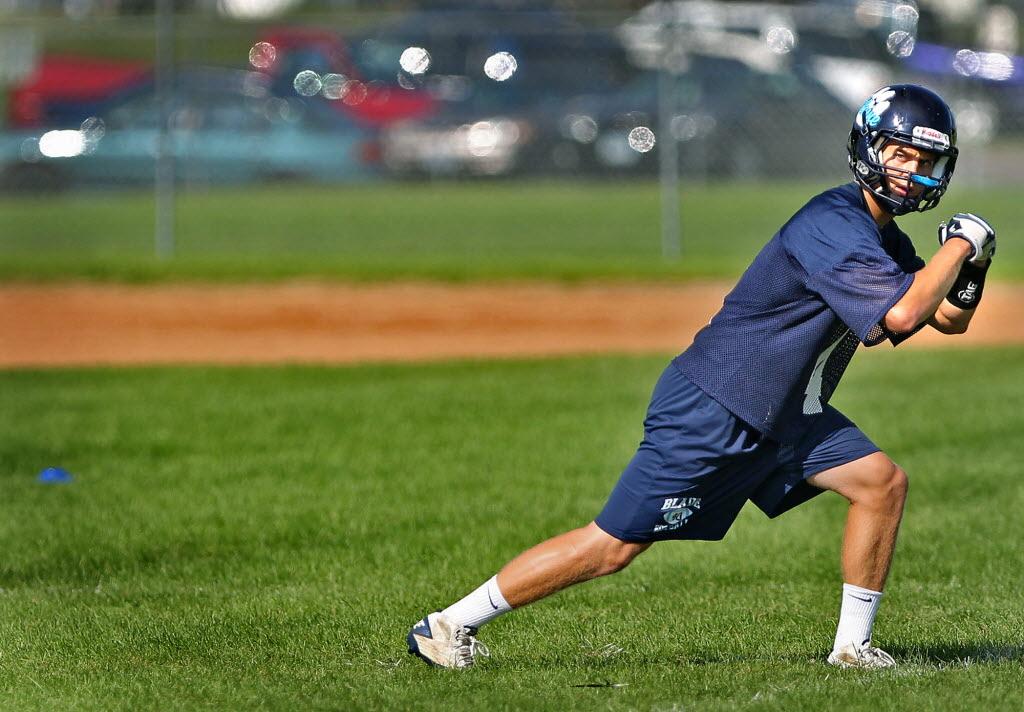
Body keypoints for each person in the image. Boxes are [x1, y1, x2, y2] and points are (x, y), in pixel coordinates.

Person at [406, 84, 996, 670]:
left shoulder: (882, 236)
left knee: (881, 484)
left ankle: (852, 647)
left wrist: (974, 264)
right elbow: (902, 314)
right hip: (720, 404)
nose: (911, 170)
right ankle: (448, 624)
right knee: (614, 546)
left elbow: (948, 317)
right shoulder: (833, 222)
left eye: (925, 160)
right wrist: (960, 244)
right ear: (869, 148)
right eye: (900, 153)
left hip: (787, 410)